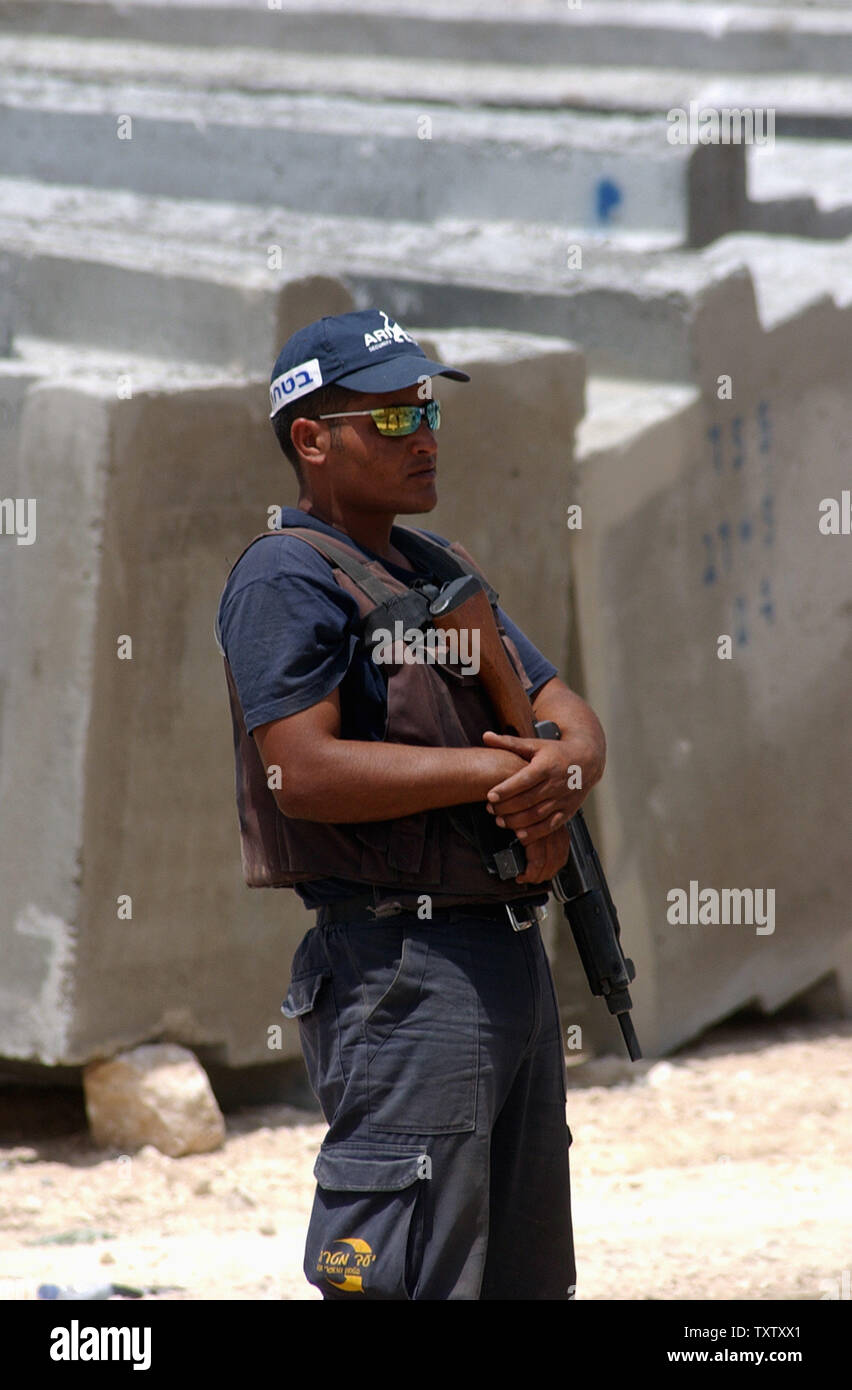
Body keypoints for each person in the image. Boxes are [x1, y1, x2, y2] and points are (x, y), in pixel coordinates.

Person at [216, 308, 606, 1300]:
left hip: (504, 950)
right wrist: (495, 775)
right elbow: (298, 770)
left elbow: (560, 703)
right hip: (401, 968)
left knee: (518, 1274)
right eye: (390, 418)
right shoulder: (286, 574)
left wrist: (569, 765)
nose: (423, 434)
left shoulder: (433, 567)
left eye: (426, 408)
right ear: (312, 438)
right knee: (411, 1271)